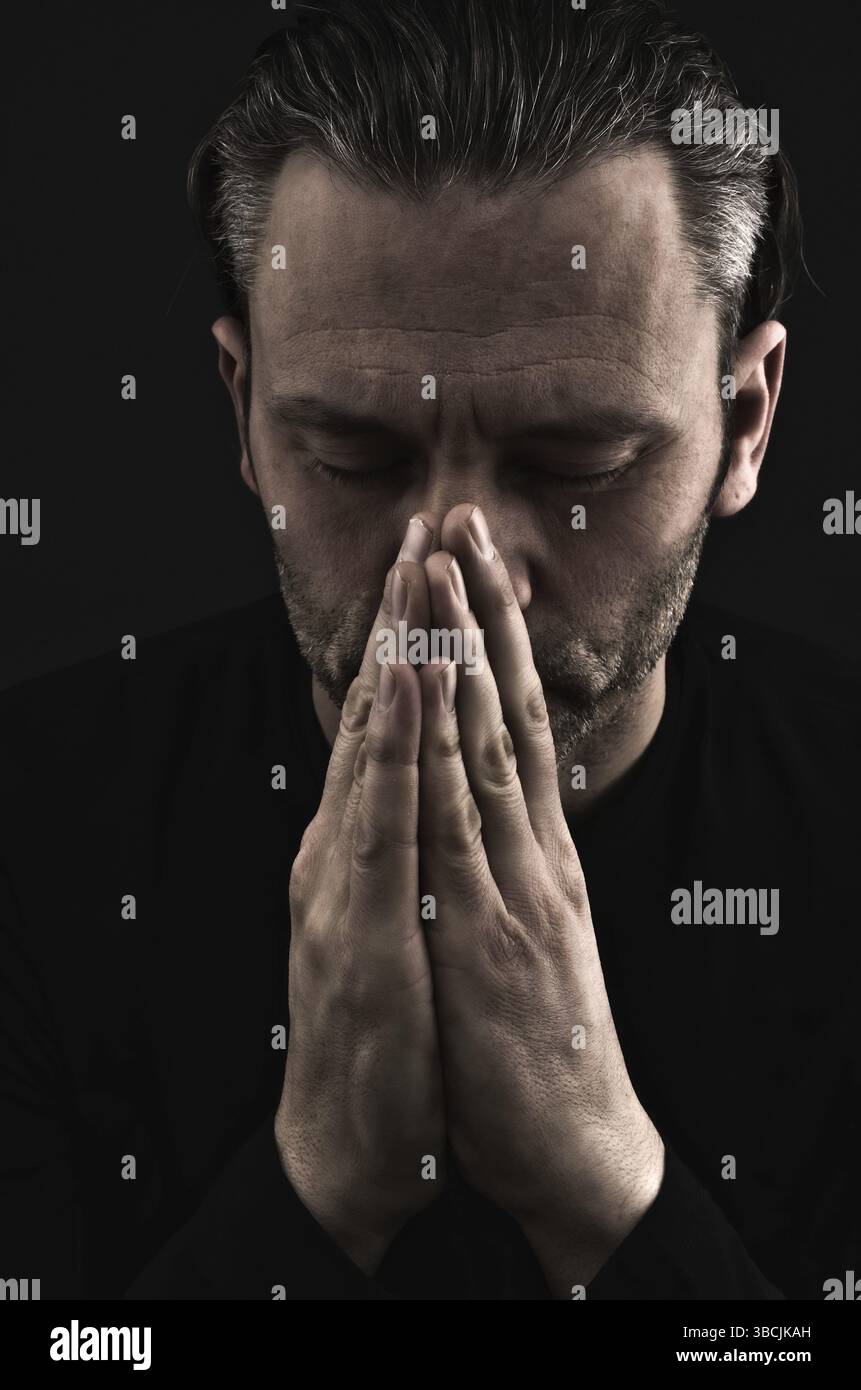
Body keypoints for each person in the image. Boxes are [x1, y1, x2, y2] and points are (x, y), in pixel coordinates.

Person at [1, 0, 857, 1301]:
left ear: (741, 421)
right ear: (243, 413)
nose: (453, 573)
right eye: (355, 458)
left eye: (573, 462)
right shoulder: (27, 831)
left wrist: (602, 1183)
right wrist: (319, 1179)